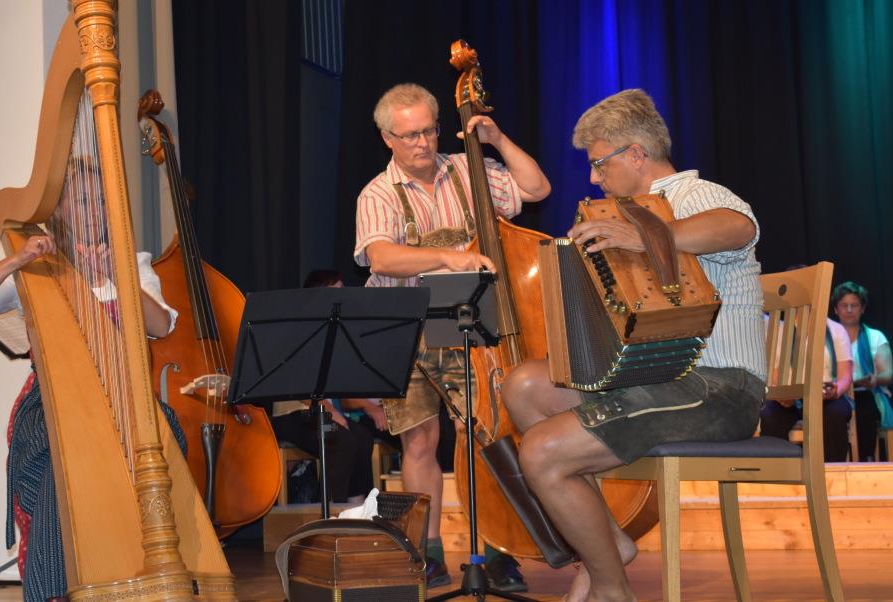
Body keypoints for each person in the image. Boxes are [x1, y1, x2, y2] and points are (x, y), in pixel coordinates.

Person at [499, 89, 765, 602]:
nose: (594, 177)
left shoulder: (695, 194)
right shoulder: (627, 212)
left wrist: (646, 234)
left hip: (722, 389)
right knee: (526, 384)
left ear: (636, 154)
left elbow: (739, 227)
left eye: (599, 163)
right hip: (661, 383)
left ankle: (609, 587)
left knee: (543, 452)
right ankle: (609, 543)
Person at [0, 167, 181, 602]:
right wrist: (15, 260)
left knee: (165, 436)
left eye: (99, 200)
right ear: (59, 211)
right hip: (51, 406)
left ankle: (152, 575)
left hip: (127, 405)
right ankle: (57, 588)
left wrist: (120, 277)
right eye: (81, 200)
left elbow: (161, 325)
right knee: (58, 461)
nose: (92, 210)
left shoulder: (132, 265)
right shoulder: (38, 270)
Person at [354, 83, 550, 591]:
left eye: (429, 129)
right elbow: (382, 258)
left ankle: (497, 548)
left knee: (480, 435)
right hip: (402, 326)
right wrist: (449, 256)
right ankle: (428, 553)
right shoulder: (377, 193)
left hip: (467, 322)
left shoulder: (467, 170)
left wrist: (498, 140)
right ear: (387, 138)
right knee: (419, 440)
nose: (423, 142)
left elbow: (536, 190)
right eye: (410, 134)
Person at [269, 269, 391, 504]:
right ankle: (333, 512)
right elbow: (300, 386)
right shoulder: (300, 331)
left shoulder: (335, 333)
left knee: (362, 436)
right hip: (293, 413)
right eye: (335, 292)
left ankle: (357, 507)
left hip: (321, 414)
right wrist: (331, 412)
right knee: (340, 440)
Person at [759, 315, 853, 462]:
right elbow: (773, 374)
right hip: (792, 396)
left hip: (825, 395)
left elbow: (845, 376)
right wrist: (782, 395)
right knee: (770, 414)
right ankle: (778, 473)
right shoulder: (780, 330)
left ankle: (830, 473)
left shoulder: (836, 330)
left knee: (835, 413)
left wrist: (834, 391)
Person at [832, 281, 893, 461]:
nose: (849, 309)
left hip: (867, 393)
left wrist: (874, 379)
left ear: (862, 309)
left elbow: (888, 373)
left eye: (855, 305)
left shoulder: (875, 336)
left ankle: (866, 459)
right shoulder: (827, 338)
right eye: (844, 305)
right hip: (837, 395)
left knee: (865, 407)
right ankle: (836, 462)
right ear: (836, 309)